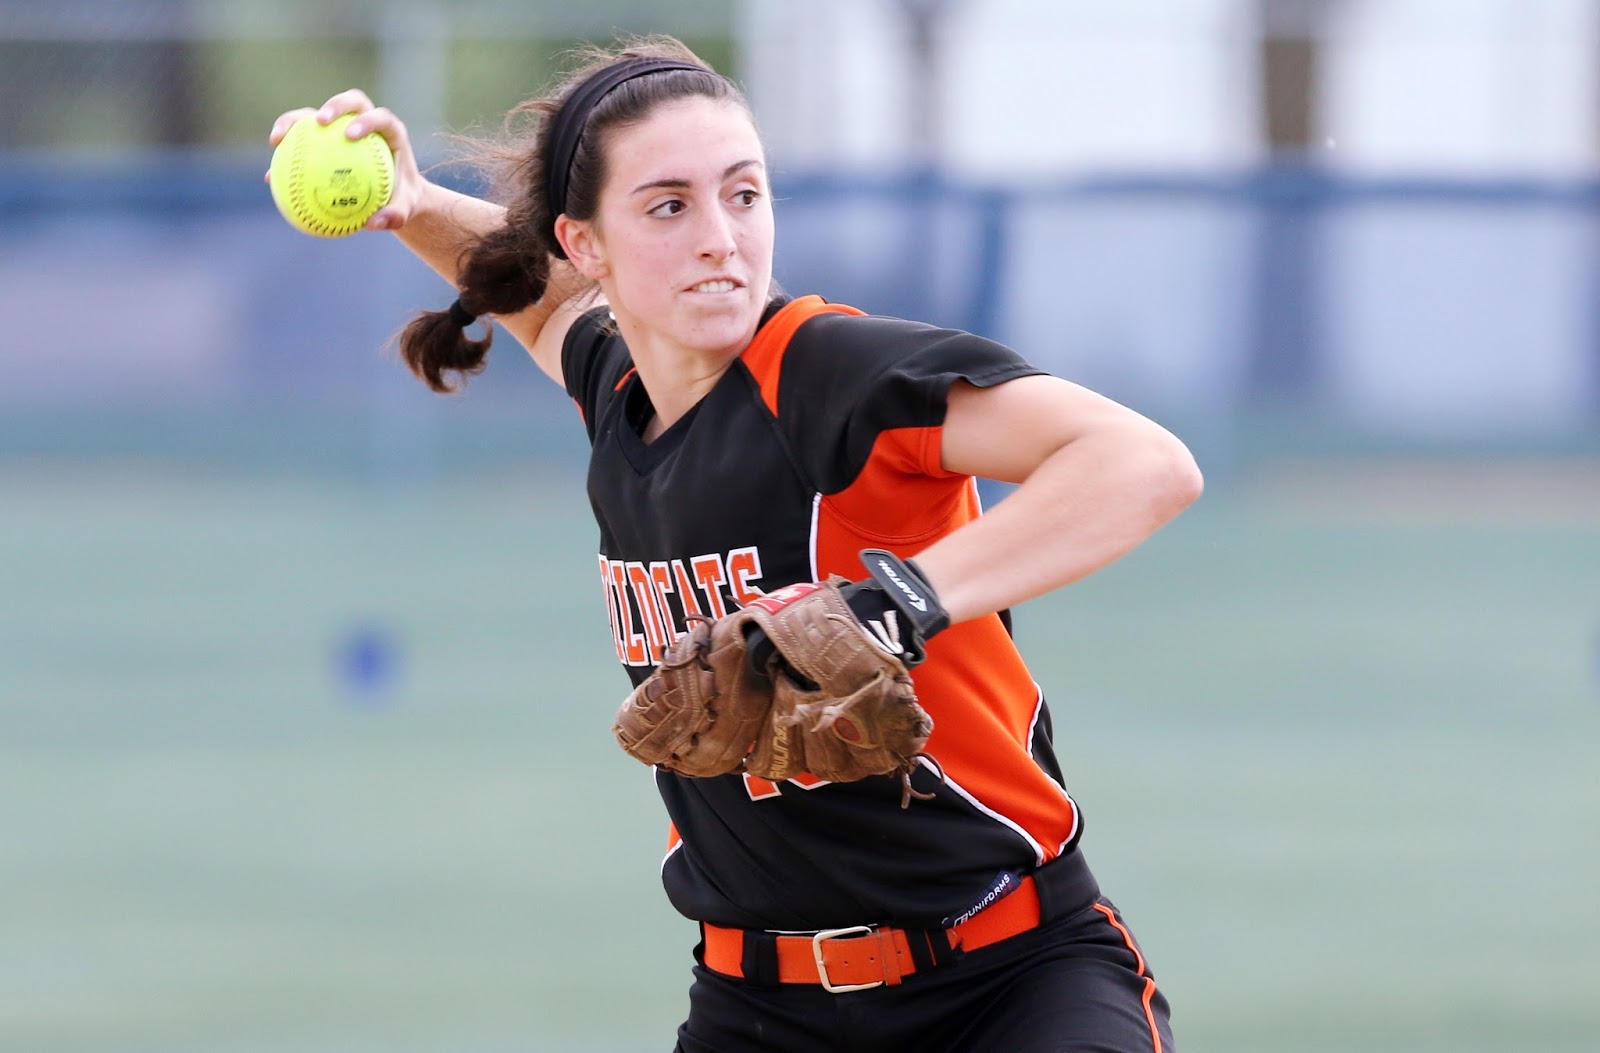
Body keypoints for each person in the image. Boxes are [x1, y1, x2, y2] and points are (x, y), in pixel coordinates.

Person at [269, 34, 1201, 1053]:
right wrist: (411, 203)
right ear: (586, 245)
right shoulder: (620, 387)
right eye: (668, 205)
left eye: (744, 194)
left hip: (1008, 980)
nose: (720, 237)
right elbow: (537, 300)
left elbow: (1141, 464)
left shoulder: (823, 375)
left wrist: (888, 606)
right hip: (761, 1008)